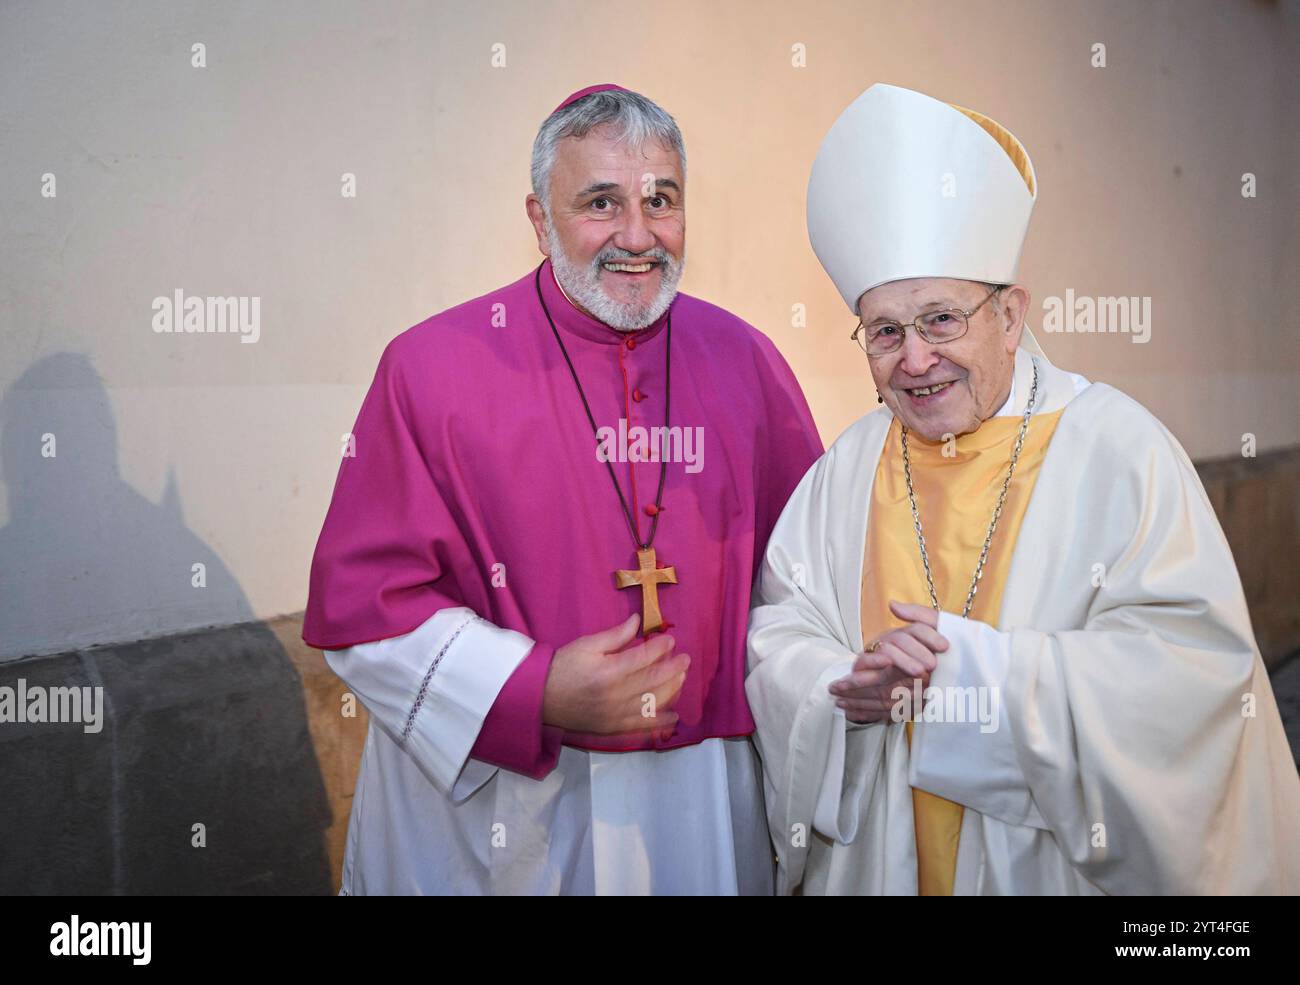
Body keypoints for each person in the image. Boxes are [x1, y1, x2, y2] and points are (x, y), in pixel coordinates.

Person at [745, 83, 1300, 895]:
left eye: (941, 320)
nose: (915, 359)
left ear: (1009, 315)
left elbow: (1192, 679)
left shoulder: (1119, 450)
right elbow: (780, 637)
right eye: (886, 332)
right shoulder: (847, 470)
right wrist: (845, 690)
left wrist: (975, 677)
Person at [303, 84, 823, 894]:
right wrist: (531, 688)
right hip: (504, 807)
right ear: (540, 220)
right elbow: (363, 611)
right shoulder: (430, 368)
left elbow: (803, 584)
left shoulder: (747, 362)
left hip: (698, 800)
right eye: (600, 203)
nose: (638, 234)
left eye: (662, 199)